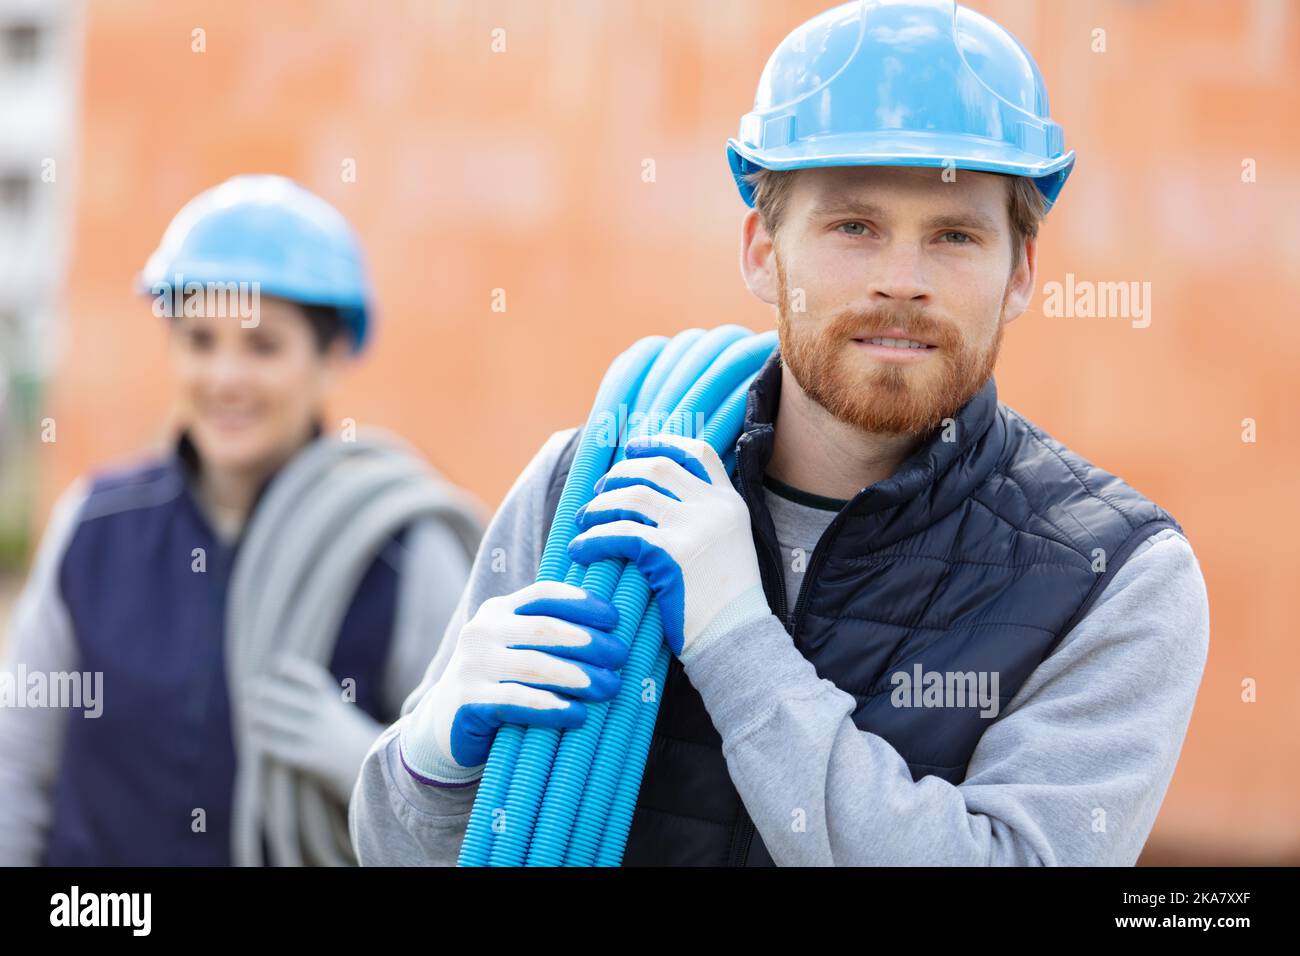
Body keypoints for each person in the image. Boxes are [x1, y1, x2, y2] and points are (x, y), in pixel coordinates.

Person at [350, 0, 1209, 866]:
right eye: (853, 227)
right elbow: (397, 847)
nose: (902, 281)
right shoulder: (596, 479)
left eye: (954, 235)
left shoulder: (1117, 577)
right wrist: (432, 763)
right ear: (763, 250)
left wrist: (736, 640)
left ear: (1020, 273)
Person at [0, 174, 482, 865]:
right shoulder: (95, 527)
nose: (226, 377)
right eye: (200, 340)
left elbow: (472, 814)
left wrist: (374, 766)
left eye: (263, 346)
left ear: (333, 353)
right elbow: (16, 765)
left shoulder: (403, 555)